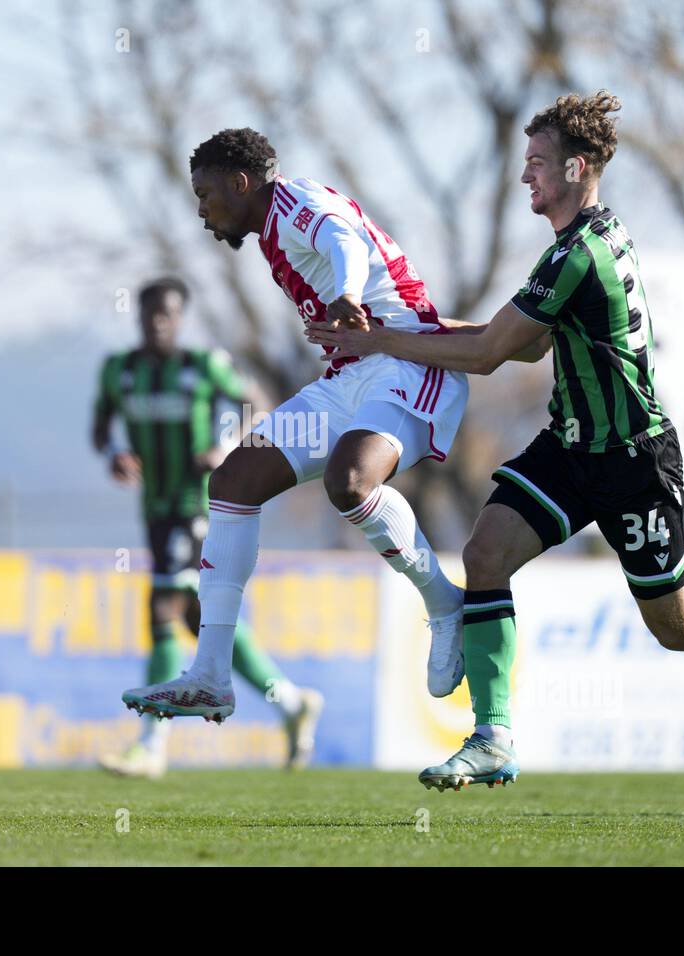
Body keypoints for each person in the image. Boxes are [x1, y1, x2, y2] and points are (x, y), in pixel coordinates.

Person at [306, 92, 684, 790]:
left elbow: (487, 355)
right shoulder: (586, 242)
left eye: (537, 162)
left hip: (633, 460)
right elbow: (528, 346)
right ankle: (493, 738)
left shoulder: (579, 254)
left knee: (680, 625)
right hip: (572, 449)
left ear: (575, 168)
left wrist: (376, 341)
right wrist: (400, 333)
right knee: (484, 551)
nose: (524, 176)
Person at [122, 128, 471, 723]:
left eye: (206, 195)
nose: (203, 211)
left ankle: (446, 605)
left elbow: (344, 239)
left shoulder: (295, 202)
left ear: (241, 183)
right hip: (348, 380)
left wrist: (349, 294)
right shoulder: (271, 232)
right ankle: (210, 674)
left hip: (405, 364)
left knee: (351, 482)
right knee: (234, 480)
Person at [94, 276, 323, 776]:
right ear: (139, 316)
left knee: (164, 603)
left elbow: (256, 404)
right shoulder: (121, 371)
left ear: (179, 318)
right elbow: (100, 427)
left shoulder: (202, 368)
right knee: (205, 623)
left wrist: (227, 444)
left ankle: (151, 743)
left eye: (168, 313)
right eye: (151, 312)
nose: (159, 322)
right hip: (154, 511)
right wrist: (116, 453)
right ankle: (290, 703)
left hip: (199, 504)